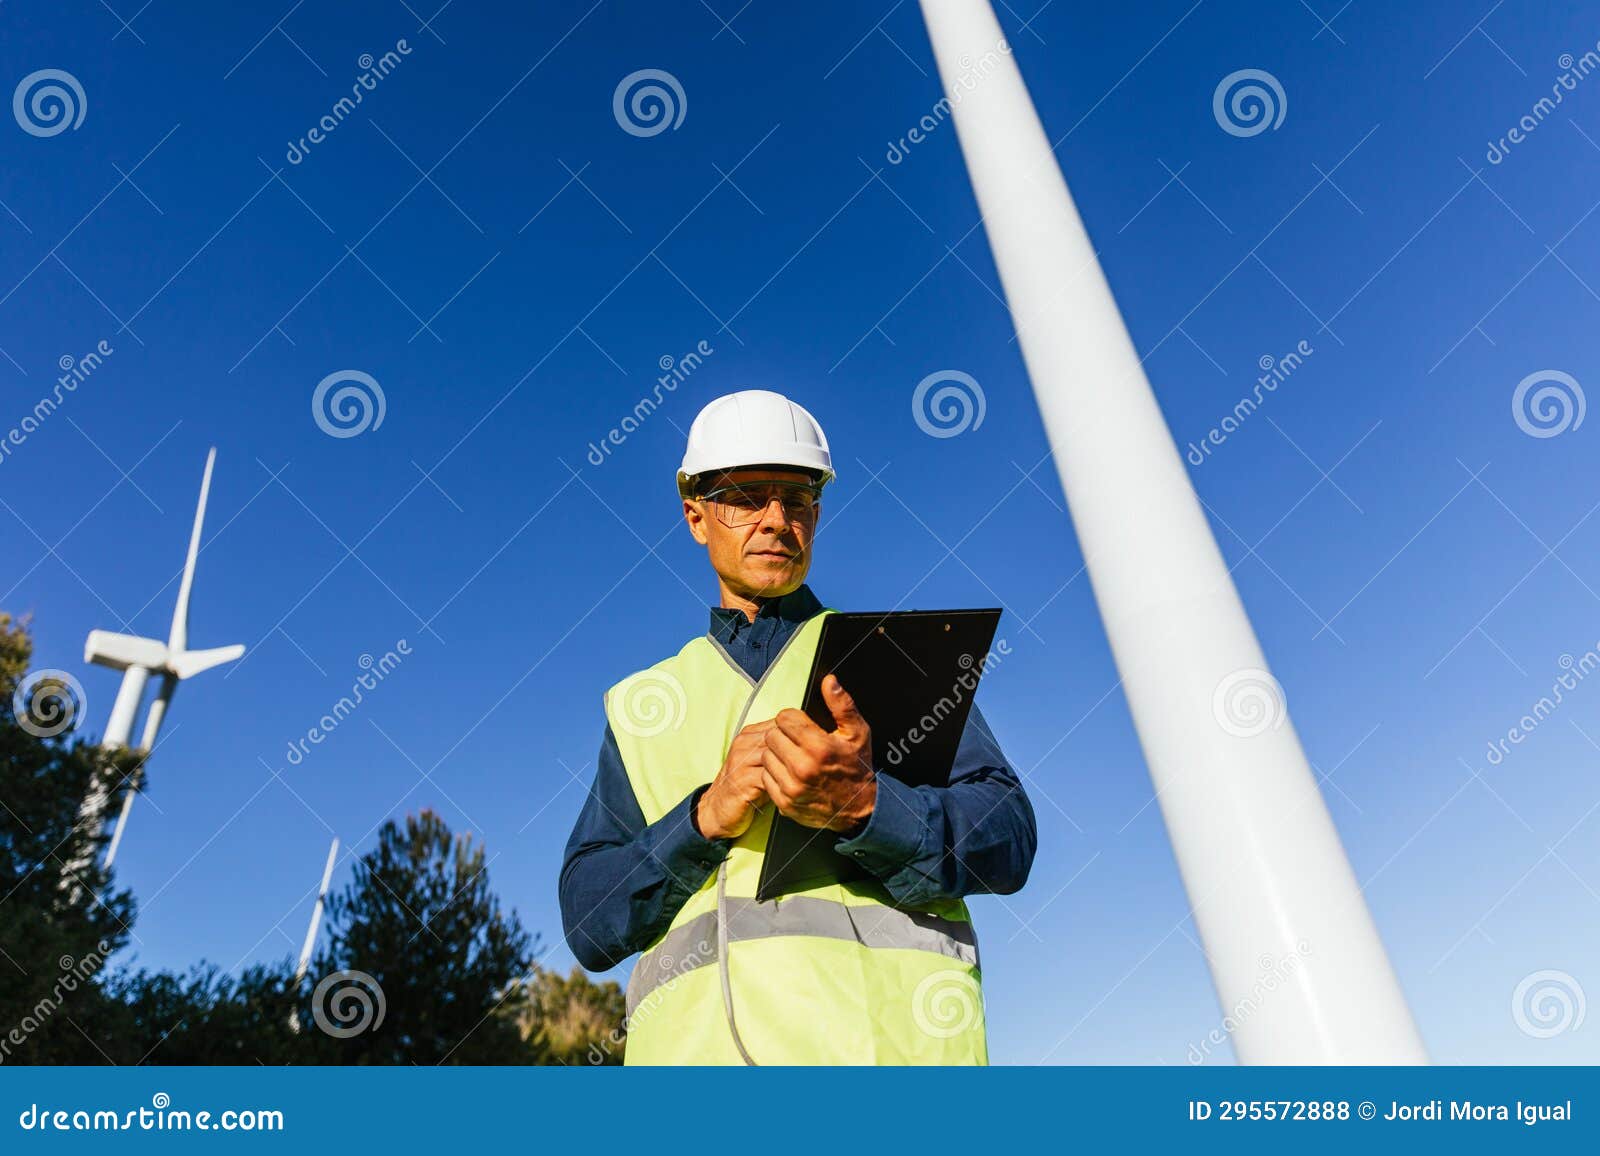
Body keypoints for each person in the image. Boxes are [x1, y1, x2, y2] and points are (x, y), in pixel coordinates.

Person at [558, 388, 1036, 1064]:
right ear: (695, 516)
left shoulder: (891, 658)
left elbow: (1009, 838)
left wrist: (868, 806)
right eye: (745, 496)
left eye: (797, 497)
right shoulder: (644, 704)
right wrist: (702, 818)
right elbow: (588, 924)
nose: (776, 520)